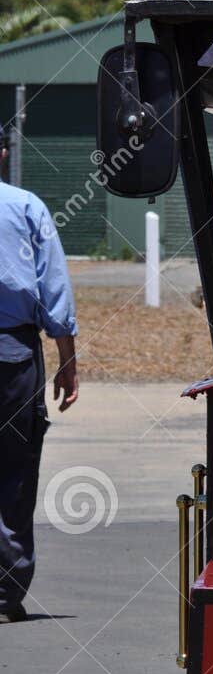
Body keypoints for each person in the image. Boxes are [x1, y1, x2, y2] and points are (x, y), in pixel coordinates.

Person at [0, 127, 79, 623]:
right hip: (13, 354)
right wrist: (68, 361)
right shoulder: (26, 207)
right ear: (3, 152)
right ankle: (5, 594)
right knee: (14, 470)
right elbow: (54, 288)